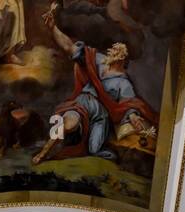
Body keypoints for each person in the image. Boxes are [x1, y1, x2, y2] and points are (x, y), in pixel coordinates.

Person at [33, 11, 157, 165]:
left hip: (100, 116)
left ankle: (108, 155)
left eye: (116, 50)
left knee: (94, 150)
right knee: (67, 123)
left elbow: (128, 106)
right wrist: (53, 28)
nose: (111, 51)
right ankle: (43, 152)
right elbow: (69, 47)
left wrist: (134, 118)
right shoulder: (98, 60)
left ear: (122, 57)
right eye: (113, 49)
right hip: (83, 101)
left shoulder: (124, 83)